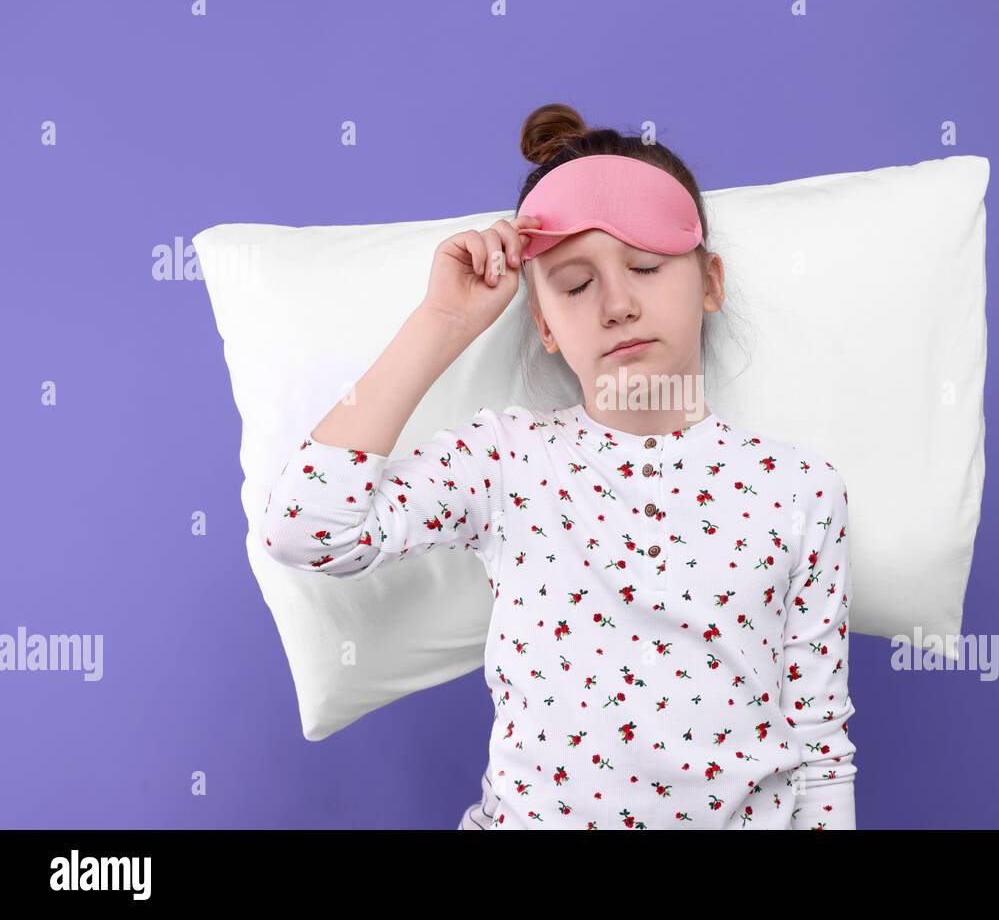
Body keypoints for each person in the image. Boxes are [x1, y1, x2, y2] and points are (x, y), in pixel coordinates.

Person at [259, 104, 857, 829]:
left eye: (645, 265)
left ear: (710, 283)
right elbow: (307, 529)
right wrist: (440, 322)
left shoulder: (799, 488)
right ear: (544, 325)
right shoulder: (509, 461)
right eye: (575, 285)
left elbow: (820, 751)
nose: (617, 303)